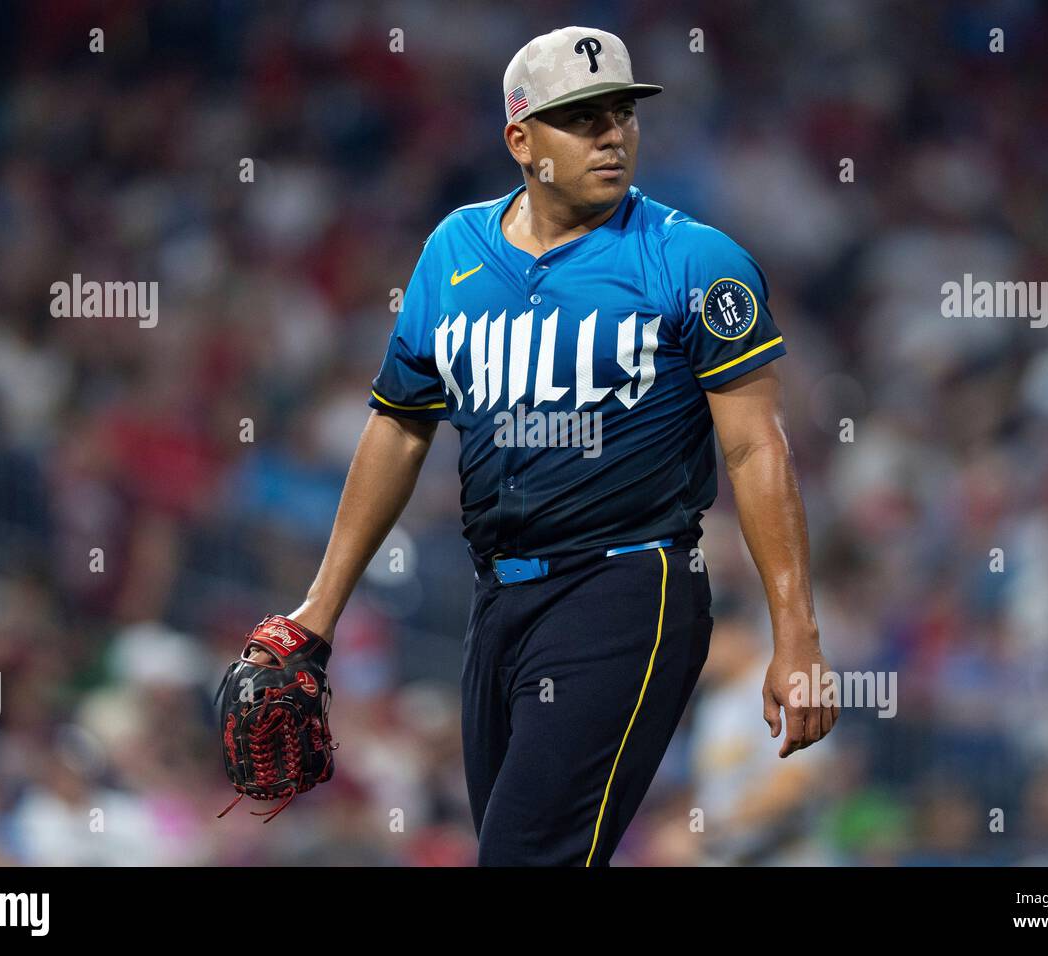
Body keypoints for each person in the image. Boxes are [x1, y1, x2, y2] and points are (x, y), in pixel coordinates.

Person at [249, 25, 837, 866]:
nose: (611, 134)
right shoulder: (453, 251)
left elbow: (755, 450)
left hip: (631, 584)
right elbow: (401, 422)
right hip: (499, 602)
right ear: (521, 139)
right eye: (582, 117)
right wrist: (319, 613)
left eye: (622, 114)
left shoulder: (696, 261)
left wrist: (798, 635)